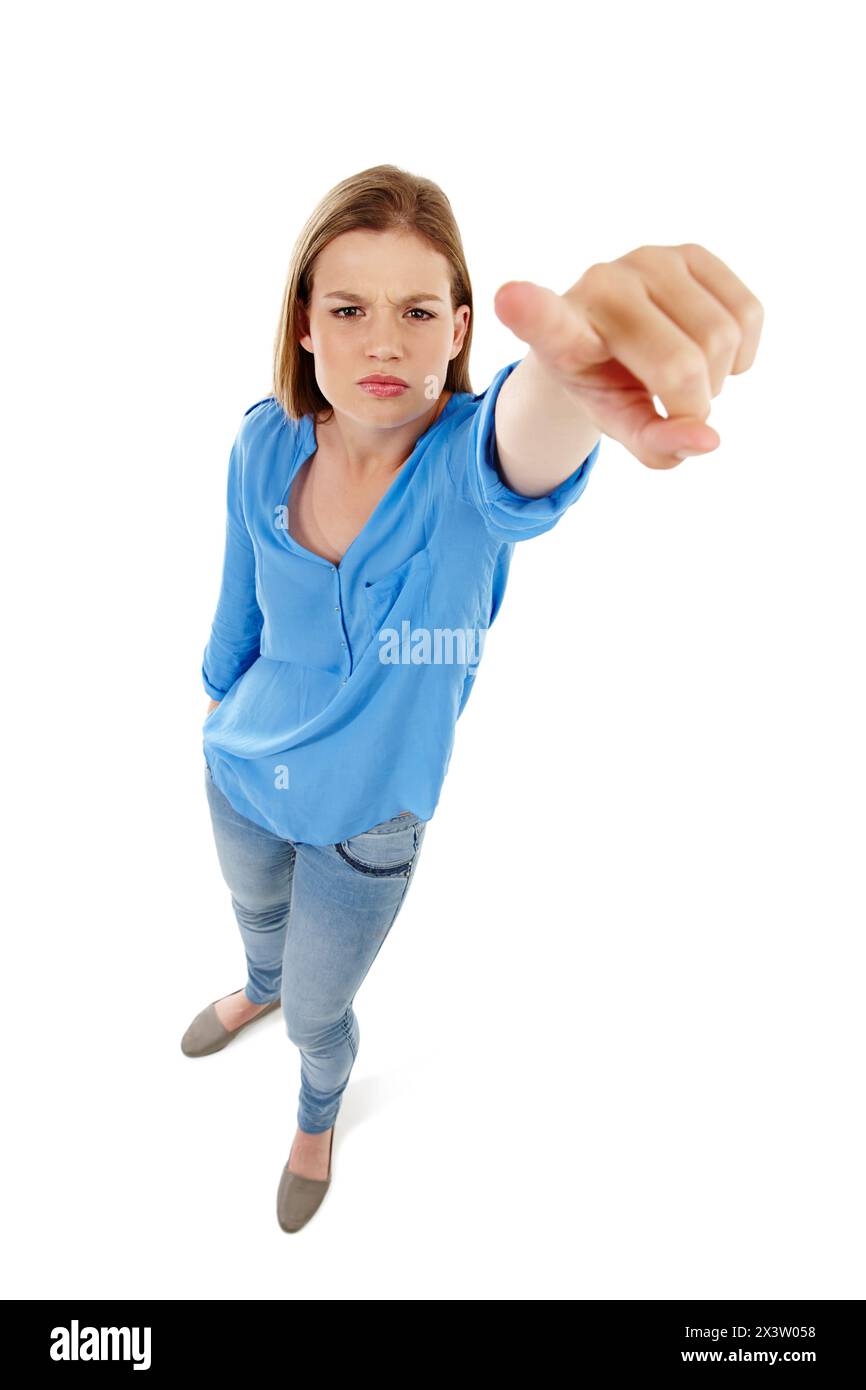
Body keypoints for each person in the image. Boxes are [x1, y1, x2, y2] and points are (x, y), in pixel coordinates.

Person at [182, 164, 762, 1234]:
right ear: (304, 326)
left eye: (415, 312)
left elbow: (526, 430)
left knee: (321, 1011)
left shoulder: (460, 473)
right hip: (237, 772)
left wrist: (575, 367)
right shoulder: (261, 438)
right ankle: (254, 981)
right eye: (348, 309)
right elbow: (235, 617)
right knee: (257, 923)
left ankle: (315, 1108)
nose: (382, 343)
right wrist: (215, 711)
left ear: (457, 330)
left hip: (366, 824)